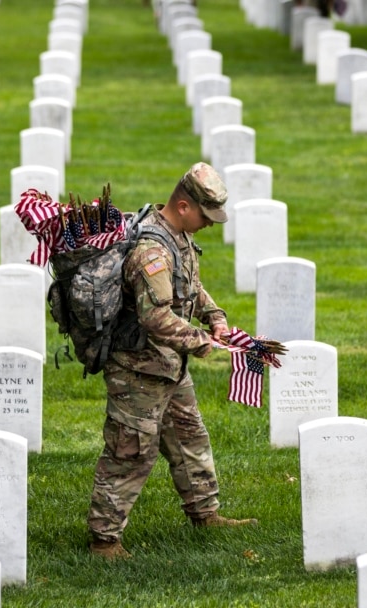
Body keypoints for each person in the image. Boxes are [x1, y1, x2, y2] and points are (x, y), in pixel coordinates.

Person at [87, 162, 257, 561]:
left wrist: (214, 317)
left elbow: (190, 286)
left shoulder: (179, 237)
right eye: (206, 215)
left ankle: (205, 513)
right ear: (183, 206)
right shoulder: (152, 251)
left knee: (188, 436)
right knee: (130, 452)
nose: (210, 224)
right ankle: (103, 540)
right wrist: (201, 342)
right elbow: (154, 317)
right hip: (138, 371)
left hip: (168, 365)